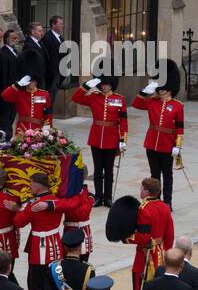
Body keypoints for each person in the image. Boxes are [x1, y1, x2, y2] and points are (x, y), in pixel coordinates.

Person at [13, 172, 79, 290]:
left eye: (31, 183)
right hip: (55, 246)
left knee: (37, 289)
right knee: (52, 287)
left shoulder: (35, 204)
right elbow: (69, 204)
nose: (30, 186)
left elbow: (18, 222)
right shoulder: (56, 200)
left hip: (39, 250)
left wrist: (16, 209)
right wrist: (50, 204)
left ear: (38, 185)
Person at [126, 176, 175, 290]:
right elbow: (169, 234)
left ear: (147, 192)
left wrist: (127, 238)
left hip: (145, 258)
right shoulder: (164, 207)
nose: (140, 191)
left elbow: (144, 237)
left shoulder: (143, 209)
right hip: (160, 256)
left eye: (142, 188)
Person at [131, 61, 185, 211]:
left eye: (163, 88)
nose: (160, 91)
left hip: (167, 144)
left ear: (170, 88)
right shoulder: (152, 102)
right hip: (151, 143)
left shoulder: (177, 106)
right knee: (154, 175)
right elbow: (135, 103)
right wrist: (144, 91)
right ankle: (156, 201)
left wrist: (177, 146)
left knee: (167, 175)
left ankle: (168, 201)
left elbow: (180, 129)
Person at [71, 77, 127, 206]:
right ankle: (97, 196)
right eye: (103, 85)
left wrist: (122, 139)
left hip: (112, 138)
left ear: (112, 85)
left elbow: (123, 121)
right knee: (97, 170)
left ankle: (107, 197)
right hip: (96, 138)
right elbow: (76, 97)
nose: (105, 87)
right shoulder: (94, 97)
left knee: (108, 170)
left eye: (107, 85)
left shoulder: (120, 99)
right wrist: (86, 86)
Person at [0, 70, 53, 136]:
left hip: (38, 131)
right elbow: (4, 96)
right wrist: (17, 85)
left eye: (33, 81)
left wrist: (46, 131)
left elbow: (47, 114)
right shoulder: (19, 93)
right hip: (21, 130)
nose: (31, 83)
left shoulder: (44, 94)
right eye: (29, 81)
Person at [0, 29, 22, 134]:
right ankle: (4, 138)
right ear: (7, 39)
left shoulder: (15, 52)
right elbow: (3, 75)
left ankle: (8, 137)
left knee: (11, 116)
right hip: (6, 90)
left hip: (15, 90)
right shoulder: (3, 53)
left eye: (16, 38)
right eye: (13, 38)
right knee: (4, 117)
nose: (15, 40)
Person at [63, 185, 96, 262]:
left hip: (83, 231)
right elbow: (79, 213)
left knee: (84, 263)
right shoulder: (68, 193)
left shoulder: (85, 193)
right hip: (70, 231)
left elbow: (81, 213)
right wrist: (91, 200)